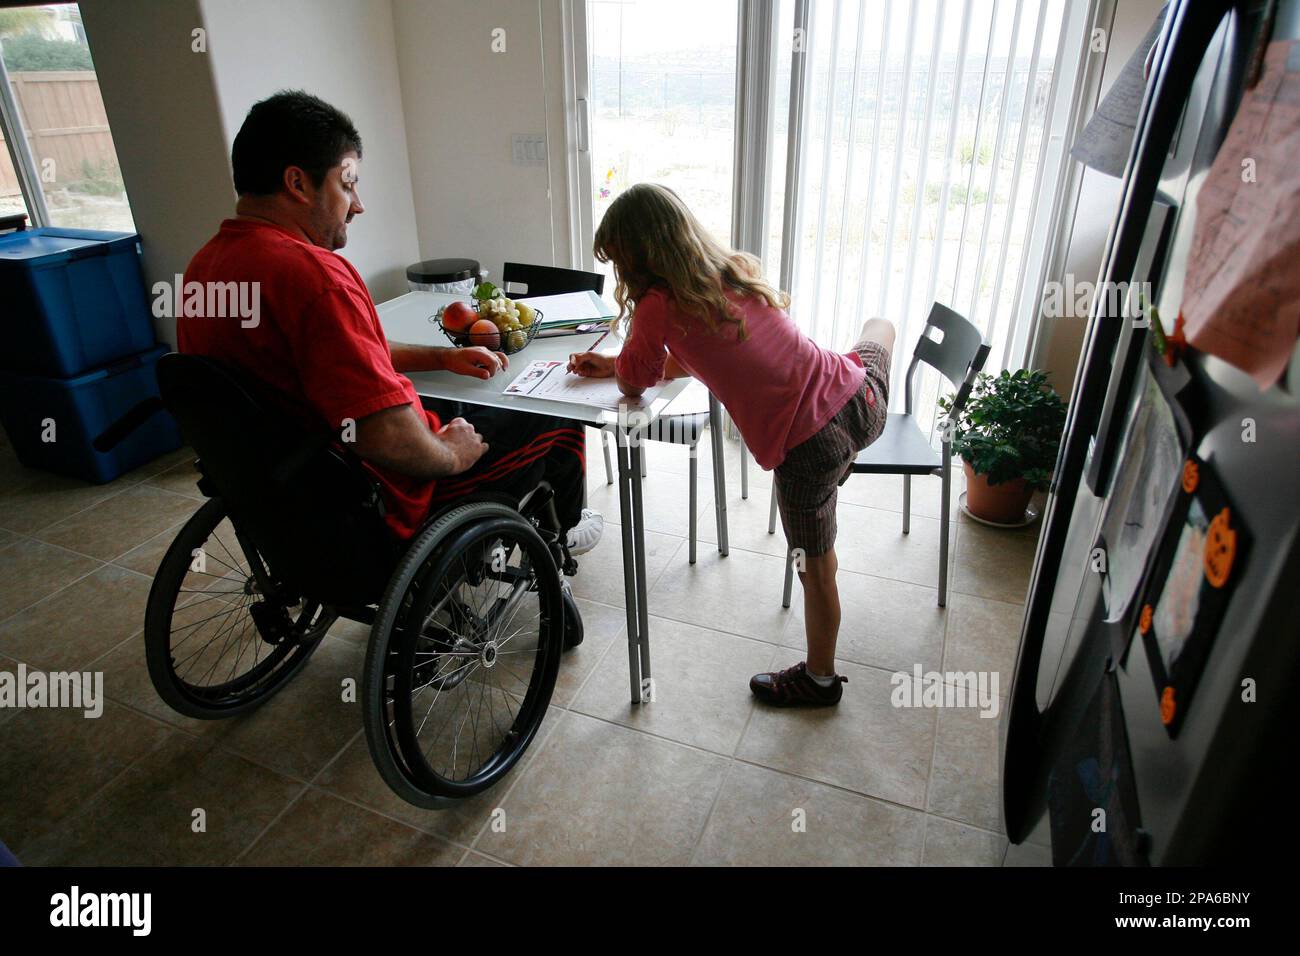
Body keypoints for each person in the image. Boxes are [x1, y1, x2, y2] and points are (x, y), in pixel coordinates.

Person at [179, 90, 602, 553]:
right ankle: (562, 532)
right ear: (298, 184)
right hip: (381, 498)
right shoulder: (314, 277)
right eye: (347, 185)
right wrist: (451, 455)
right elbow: (382, 435)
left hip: (286, 496)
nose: (357, 205)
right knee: (554, 415)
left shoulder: (206, 268)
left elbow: (337, 363)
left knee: (482, 409)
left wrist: (445, 357)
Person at [569, 183, 894, 706]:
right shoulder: (727, 273)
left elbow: (637, 381)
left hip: (808, 448)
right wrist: (614, 363)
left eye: (619, 261)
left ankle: (819, 681)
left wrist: (621, 361)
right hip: (858, 400)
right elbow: (695, 356)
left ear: (637, 256)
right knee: (879, 329)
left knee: (817, 569)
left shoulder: (656, 303)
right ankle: (848, 450)